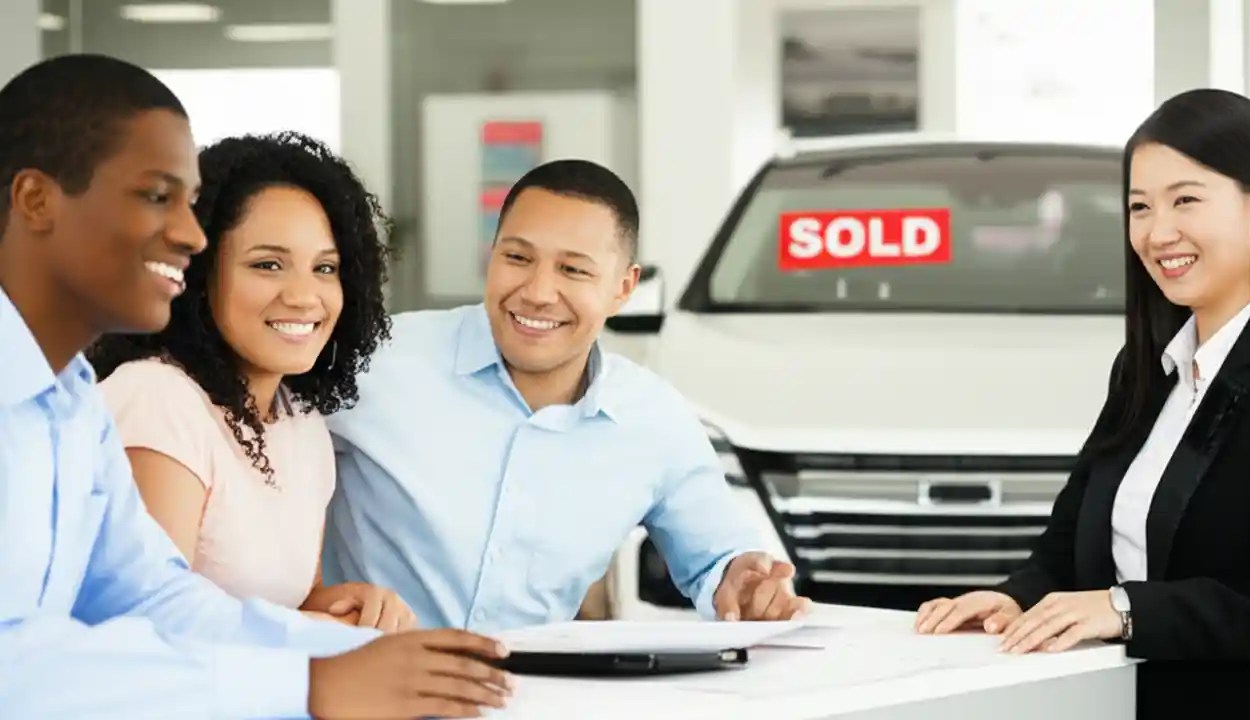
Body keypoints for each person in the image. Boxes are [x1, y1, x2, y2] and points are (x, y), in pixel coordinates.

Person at [0, 54, 512, 719]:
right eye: (155, 197)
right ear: (36, 201)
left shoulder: (70, 403)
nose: (191, 236)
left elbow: (152, 594)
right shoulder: (136, 396)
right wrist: (308, 684)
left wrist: (344, 653)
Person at [324, 159, 811, 632]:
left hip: (533, 684)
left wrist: (744, 584)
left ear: (623, 288)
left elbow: (719, 558)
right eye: (517, 258)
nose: (537, 292)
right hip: (359, 680)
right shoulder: (376, 361)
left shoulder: (653, 418)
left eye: (573, 270)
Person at [914, 88, 1250, 718]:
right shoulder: (1146, 368)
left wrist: (1126, 609)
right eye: (1139, 207)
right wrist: (1018, 599)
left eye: (1186, 200)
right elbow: (1071, 540)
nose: (1158, 233)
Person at [89, 131, 415, 631]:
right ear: (197, 274)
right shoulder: (155, 398)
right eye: (268, 265)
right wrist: (316, 633)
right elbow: (147, 621)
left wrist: (346, 607)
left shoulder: (301, 424)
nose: (304, 296)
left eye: (325, 268)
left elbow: (282, 605)